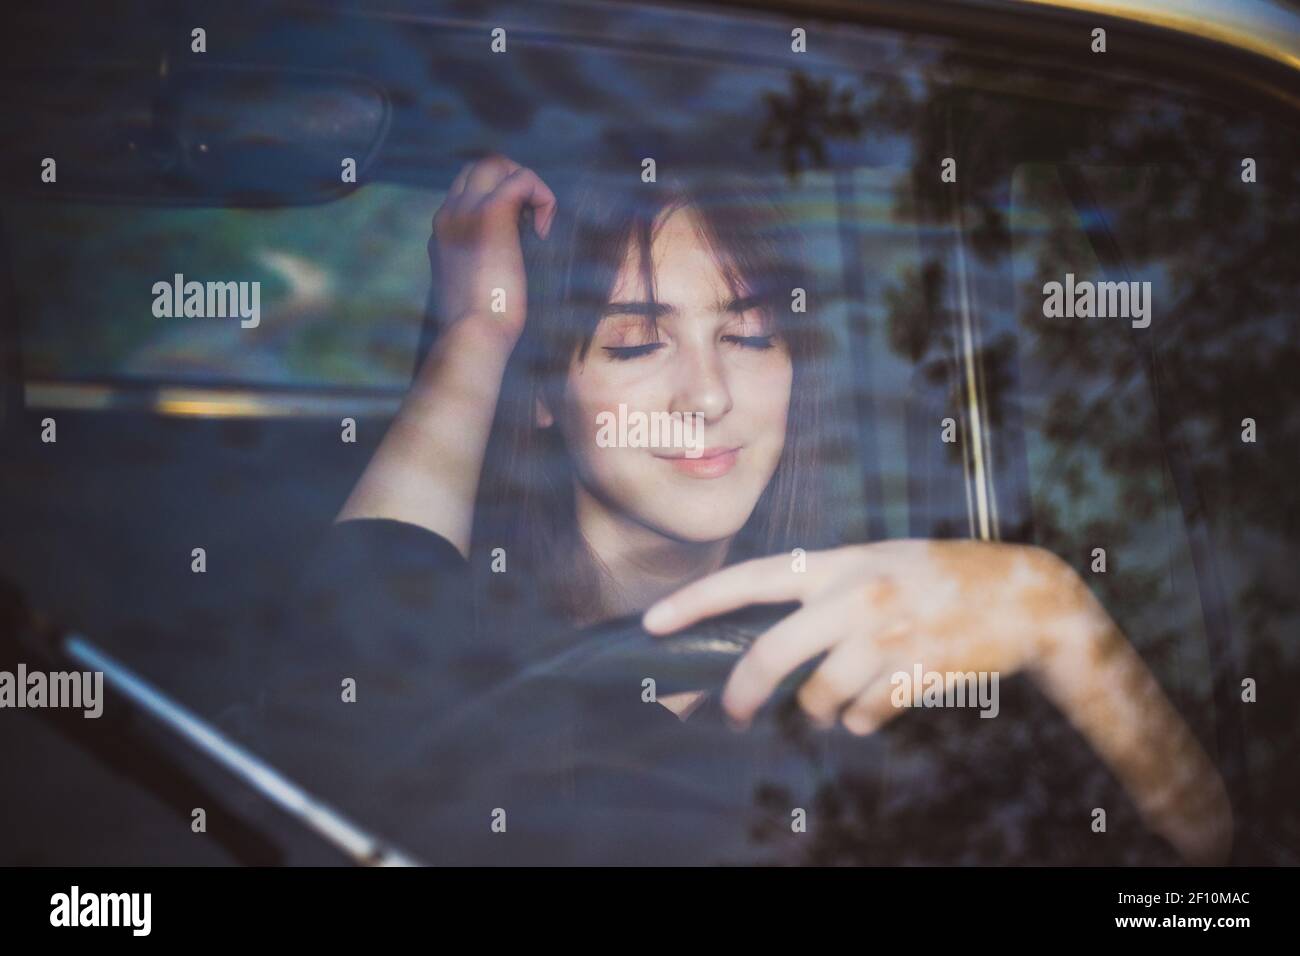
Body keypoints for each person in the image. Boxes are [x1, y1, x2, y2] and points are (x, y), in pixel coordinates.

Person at [261, 154, 1232, 865]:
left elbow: (1211, 872)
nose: (708, 394)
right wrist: (478, 333)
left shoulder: (878, 654)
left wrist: (1056, 608)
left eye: (751, 334)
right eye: (636, 344)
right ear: (544, 391)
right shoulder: (436, 649)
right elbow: (314, 784)